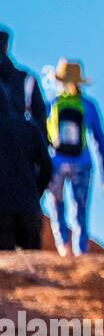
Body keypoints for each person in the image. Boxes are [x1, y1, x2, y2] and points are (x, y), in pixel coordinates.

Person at [46, 58, 104, 257]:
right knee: (80, 207)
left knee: (56, 205)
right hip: (82, 164)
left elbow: (42, 135)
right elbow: (100, 141)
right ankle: (80, 250)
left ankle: (64, 247)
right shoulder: (88, 106)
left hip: (56, 163)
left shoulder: (51, 104)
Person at [0, 102, 51, 250]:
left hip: (2, 213)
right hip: (30, 209)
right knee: (34, 270)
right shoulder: (29, 127)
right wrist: (36, 193)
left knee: (6, 268)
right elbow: (46, 166)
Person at [0, 25, 49, 129]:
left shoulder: (27, 80)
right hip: (19, 140)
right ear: (7, 46)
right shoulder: (27, 80)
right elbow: (41, 121)